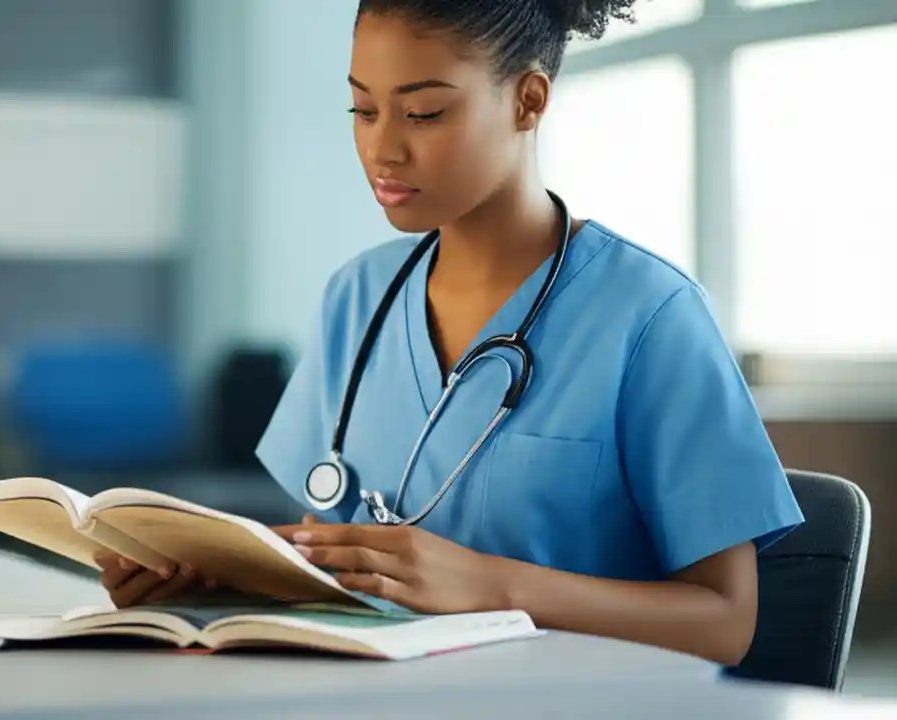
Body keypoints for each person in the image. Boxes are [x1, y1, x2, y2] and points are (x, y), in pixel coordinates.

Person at [96, 0, 803, 666]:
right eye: (363, 109)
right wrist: (208, 583)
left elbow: (725, 623)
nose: (383, 148)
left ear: (528, 100)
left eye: (424, 113)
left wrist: (494, 585)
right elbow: (333, 572)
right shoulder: (357, 296)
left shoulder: (650, 313)